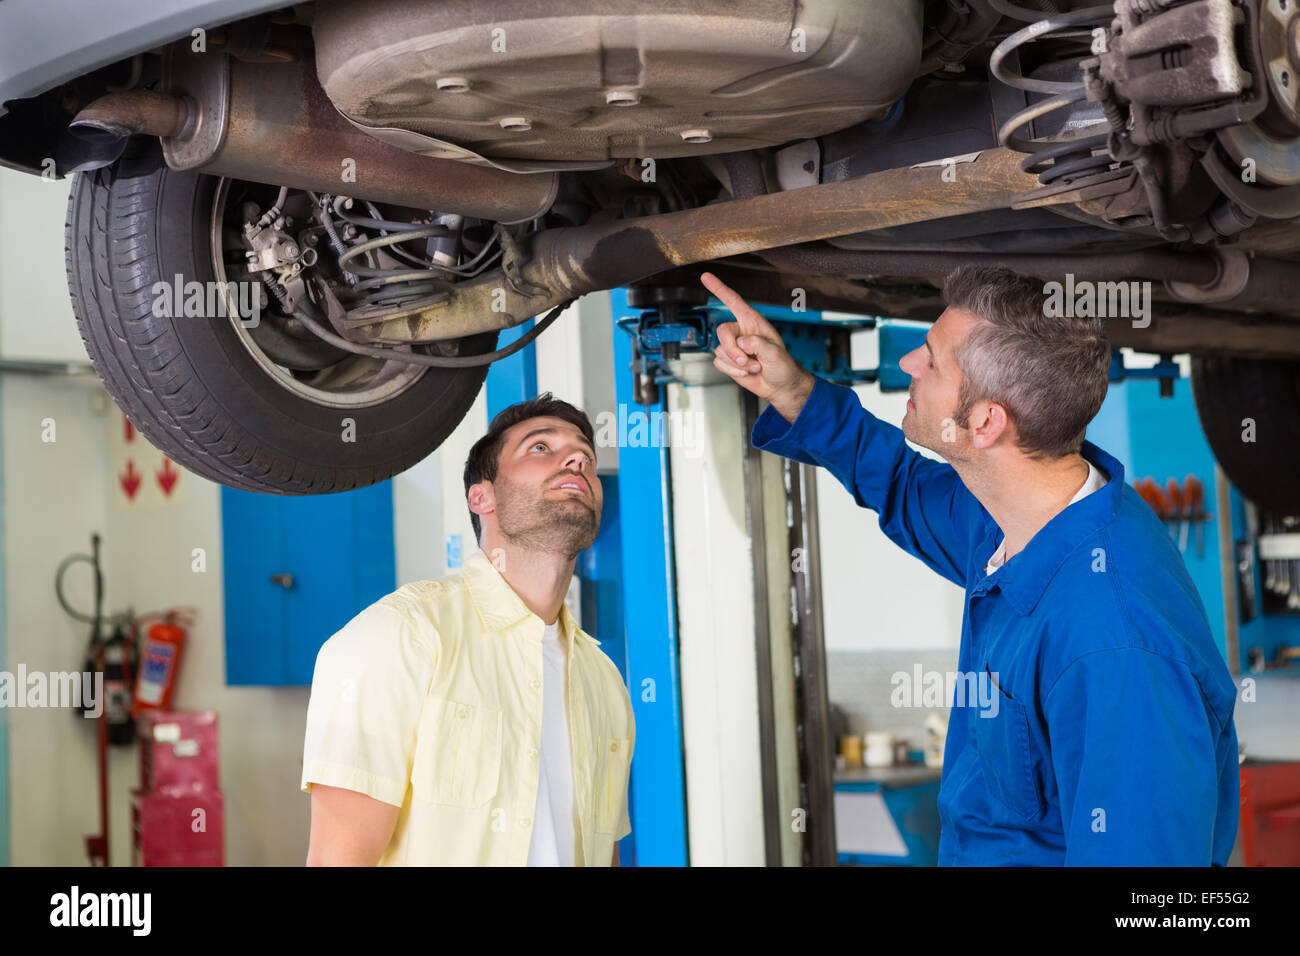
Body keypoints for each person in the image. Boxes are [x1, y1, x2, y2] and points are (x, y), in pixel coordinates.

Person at [702, 266, 1238, 865]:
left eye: (930, 361)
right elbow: (902, 486)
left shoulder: (1115, 646)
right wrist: (794, 392)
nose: (908, 364)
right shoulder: (1016, 519)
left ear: (985, 422)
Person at [301, 394, 634, 866]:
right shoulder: (399, 637)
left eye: (585, 453)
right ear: (483, 496)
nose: (578, 458)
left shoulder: (605, 682)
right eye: (541, 447)